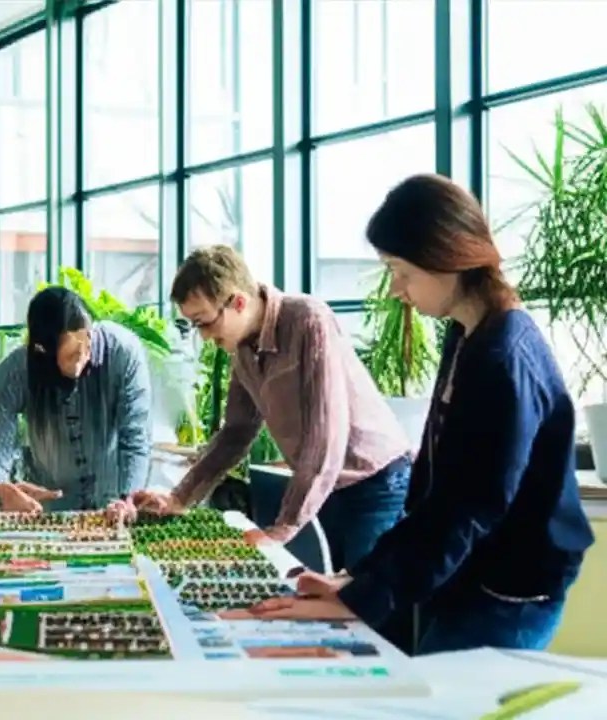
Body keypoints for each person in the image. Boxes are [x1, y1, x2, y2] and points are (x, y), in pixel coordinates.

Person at [250, 174, 595, 654]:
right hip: (472, 577)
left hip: (508, 592)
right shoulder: (469, 335)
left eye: (401, 271)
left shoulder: (502, 356)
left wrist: (362, 599)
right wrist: (360, 578)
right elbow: (439, 496)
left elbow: (467, 506)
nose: (396, 289)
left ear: (446, 256)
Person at [123, 244, 413, 573]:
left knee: (367, 590)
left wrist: (282, 529)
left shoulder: (308, 320)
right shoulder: (244, 349)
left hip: (375, 479)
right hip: (328, 485)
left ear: (238, 302)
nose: (203, 337)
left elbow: (325, 433)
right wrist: (179, 497)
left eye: (204, 322)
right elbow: (236, 432)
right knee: (333, 590)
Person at [0, 286, 152, 512]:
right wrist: (1, 494)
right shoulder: (14, 374)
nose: (80, 364)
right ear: (43, 351)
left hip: (113, 506)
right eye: (71, 356)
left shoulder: (123, 352)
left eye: (87, 347)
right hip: (46, 512)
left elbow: (135, 439)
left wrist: (128, 499)